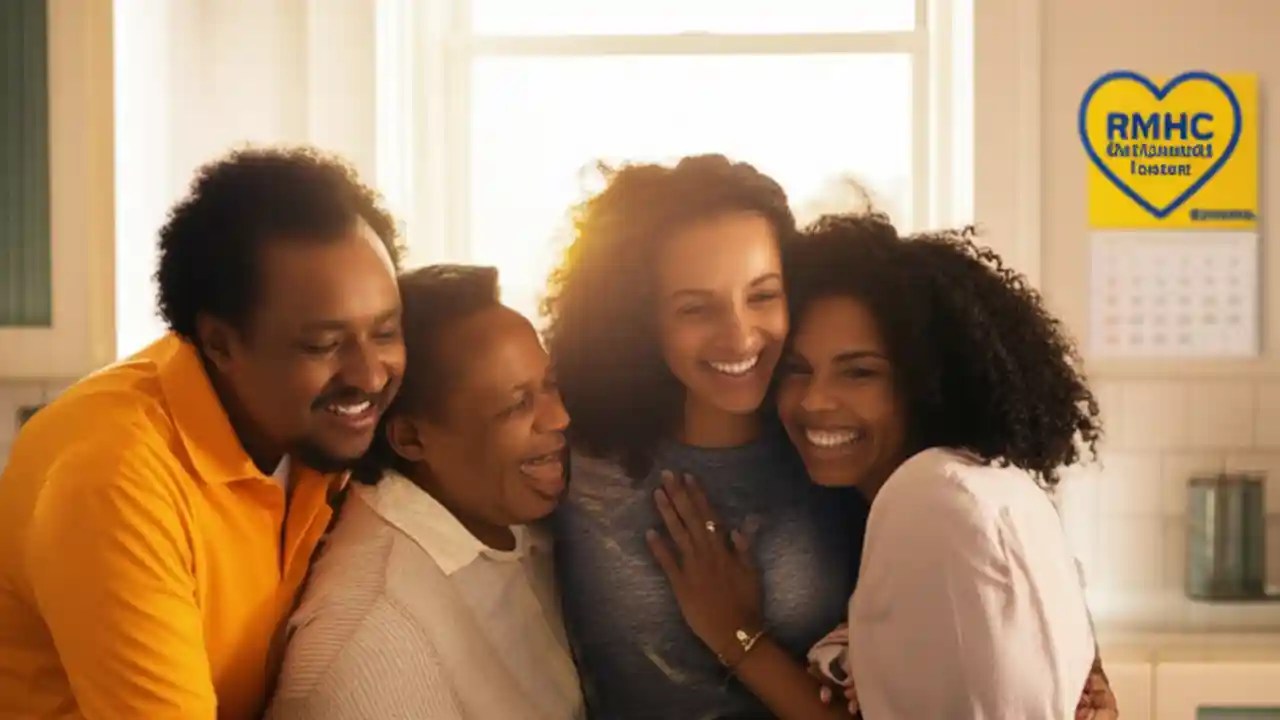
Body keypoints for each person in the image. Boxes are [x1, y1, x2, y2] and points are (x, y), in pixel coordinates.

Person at [649, 210, 1115, 719]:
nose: (815, 401)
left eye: (860, 373)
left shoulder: (932, 499)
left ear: (928, 381)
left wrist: (735, 633)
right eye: (797, 370)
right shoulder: (967, 487)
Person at [0, 147, 405, 718]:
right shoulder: (115, 476)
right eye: (322, 344)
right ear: (220, 343)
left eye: (386, 331)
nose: (368, 373)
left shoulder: (314, 423)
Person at [544, 154, 867, 719]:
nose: (740, 337)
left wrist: (738, 636)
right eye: (696, 308)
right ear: (640, 317)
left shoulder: (834, 453)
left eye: (762, 295)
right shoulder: (572, 451)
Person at [268, 265, 583, 719]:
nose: (559, 419)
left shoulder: (510, 510)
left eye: (550, 385)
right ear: (412, 439)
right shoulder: (371, 646)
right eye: (517, 405)